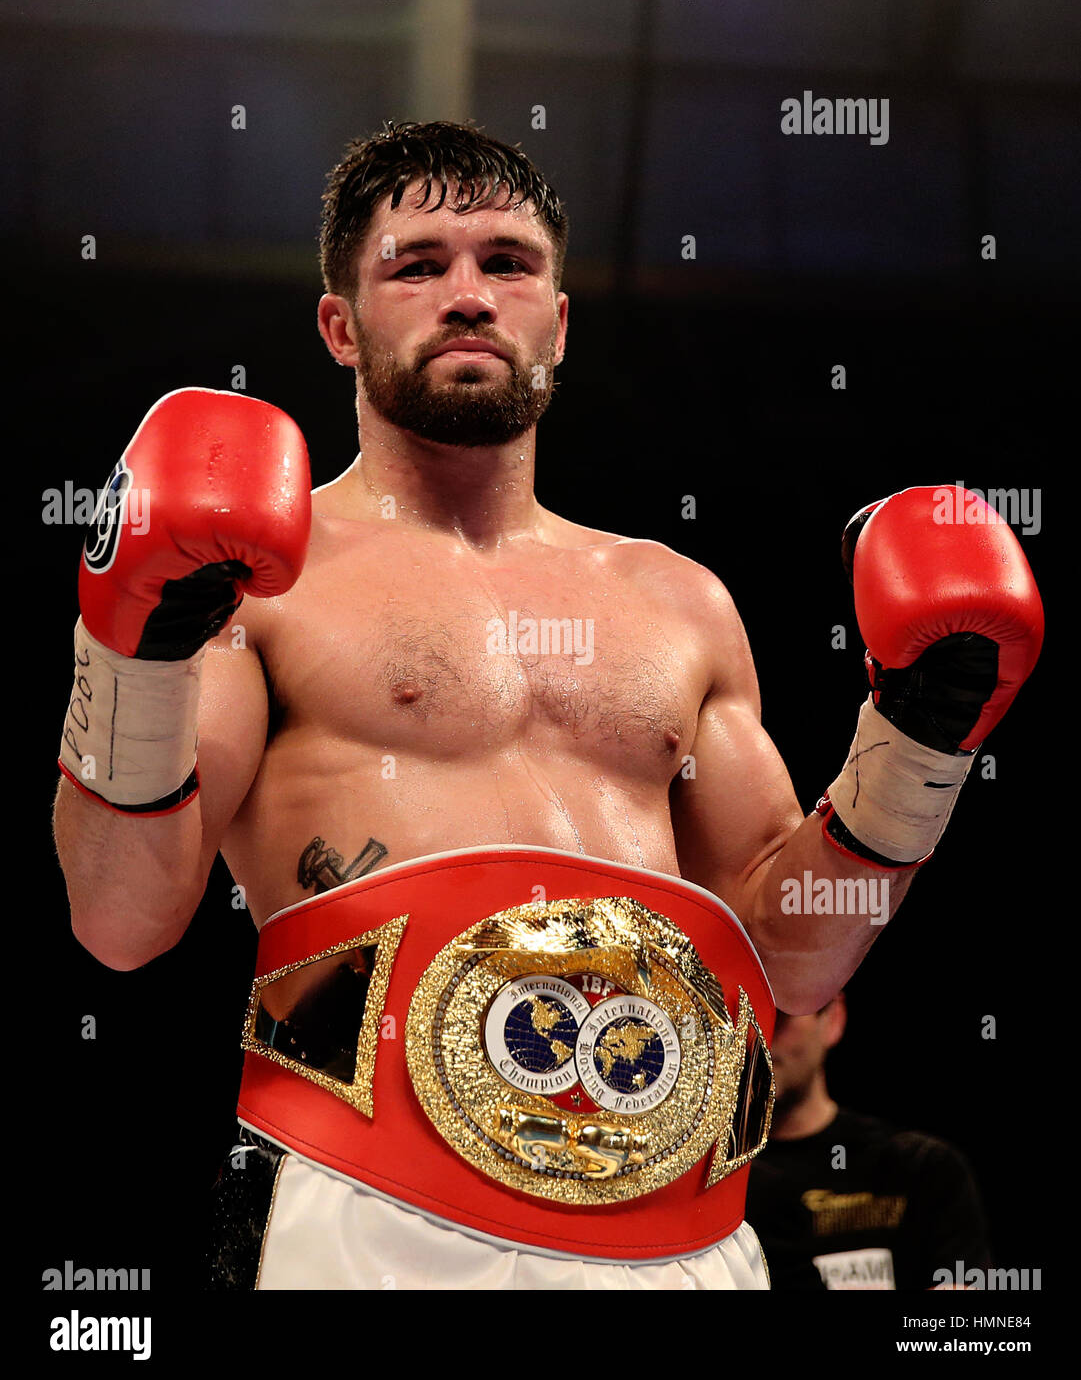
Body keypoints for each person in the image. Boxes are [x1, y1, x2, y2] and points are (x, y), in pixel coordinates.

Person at [52, 120, 1043, 1291]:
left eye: (507, 263)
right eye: (417, 265)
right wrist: (138, 655)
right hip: (373, 1207)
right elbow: (121, 921)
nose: (466, 296)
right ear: (339, 324)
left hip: (681, 1230)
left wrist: (918, 743)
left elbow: (787, 967)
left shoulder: (679, 601)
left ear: (557, 323)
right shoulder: (267, 583)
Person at [745, 995, 992, 1290]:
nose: (758, 1035)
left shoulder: (921, 1168)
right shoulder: (708, 1189)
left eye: (780, 1016)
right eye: (746, 1018)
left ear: (832, 1018)